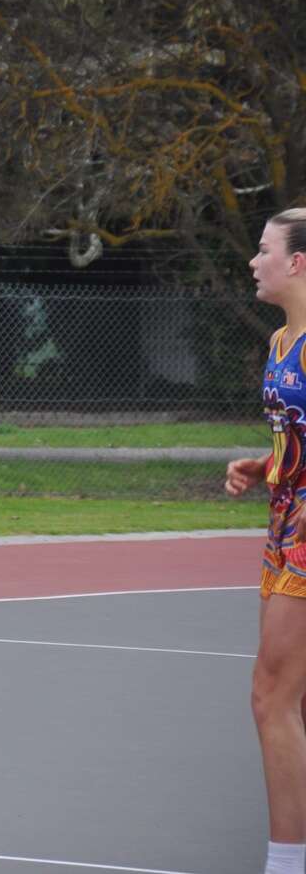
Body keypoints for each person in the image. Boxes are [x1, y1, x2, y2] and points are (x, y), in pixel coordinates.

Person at [226, 206, 306, 874]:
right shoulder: (282, 341)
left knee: (271, 696)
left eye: (263, 249)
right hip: (282, 530)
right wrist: (269, 463)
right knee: (286, 696)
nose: (253, 261)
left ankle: (285, 863)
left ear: (298, 262)